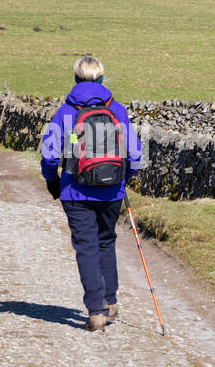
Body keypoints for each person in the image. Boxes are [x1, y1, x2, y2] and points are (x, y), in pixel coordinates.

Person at [40, 55, 142, 331]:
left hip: (75, 190)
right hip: (112, 190)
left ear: (75, 78)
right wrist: (124, 177)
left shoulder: (65, 112)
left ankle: (96, 310)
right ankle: (110, 301)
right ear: (101, 78)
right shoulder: (117, 109)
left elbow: (50, 154)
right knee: (106, 241)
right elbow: (134, 153)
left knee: (86, 246)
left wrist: (52, 180)